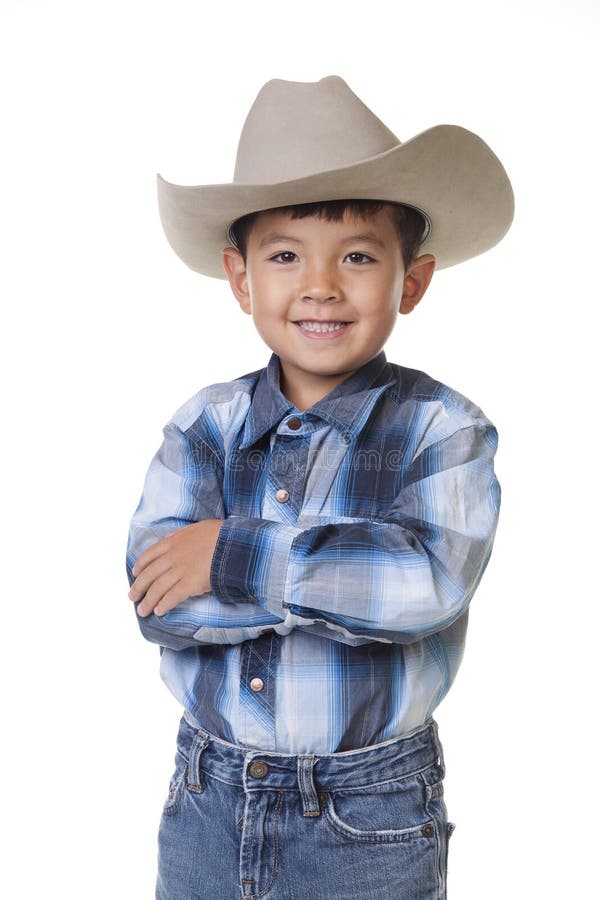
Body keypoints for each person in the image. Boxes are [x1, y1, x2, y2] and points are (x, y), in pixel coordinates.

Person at [126, 75, 513, 900]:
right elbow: (158, 598)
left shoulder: (442, 431)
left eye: (360, 257)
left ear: (412, 281)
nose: (322, 285)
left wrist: (233, 556)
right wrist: (343, 582)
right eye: (285, 255)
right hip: (208, 796)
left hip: (368, 814)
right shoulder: (206, 427)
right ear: (241, 279)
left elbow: (423, 585)